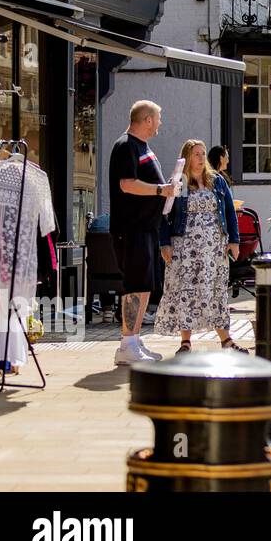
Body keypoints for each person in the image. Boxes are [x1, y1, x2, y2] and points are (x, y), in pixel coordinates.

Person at [157, 140, 246, 354]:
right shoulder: (179, 183)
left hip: (214, 247)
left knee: (215, 290)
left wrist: (234, 240)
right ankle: (185, 342)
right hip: (185, 248)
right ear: (187, 157)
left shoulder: (216, 181)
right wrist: (165, 243)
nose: (200, 157)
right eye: (196, 154)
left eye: (203, 153)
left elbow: (229, 212)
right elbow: (164, 215)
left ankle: (226, 340)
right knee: (186, 291)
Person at [108, 101, 177, 365]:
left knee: (144, 285)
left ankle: (134, 340)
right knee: (135, 286)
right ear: (147, 120)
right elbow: (126, 184)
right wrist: (161, 190)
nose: (160, 123)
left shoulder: (143, 147)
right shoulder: (126, 145)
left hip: (146, 228)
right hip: (131, 228)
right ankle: (126, 344)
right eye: (158, 118)